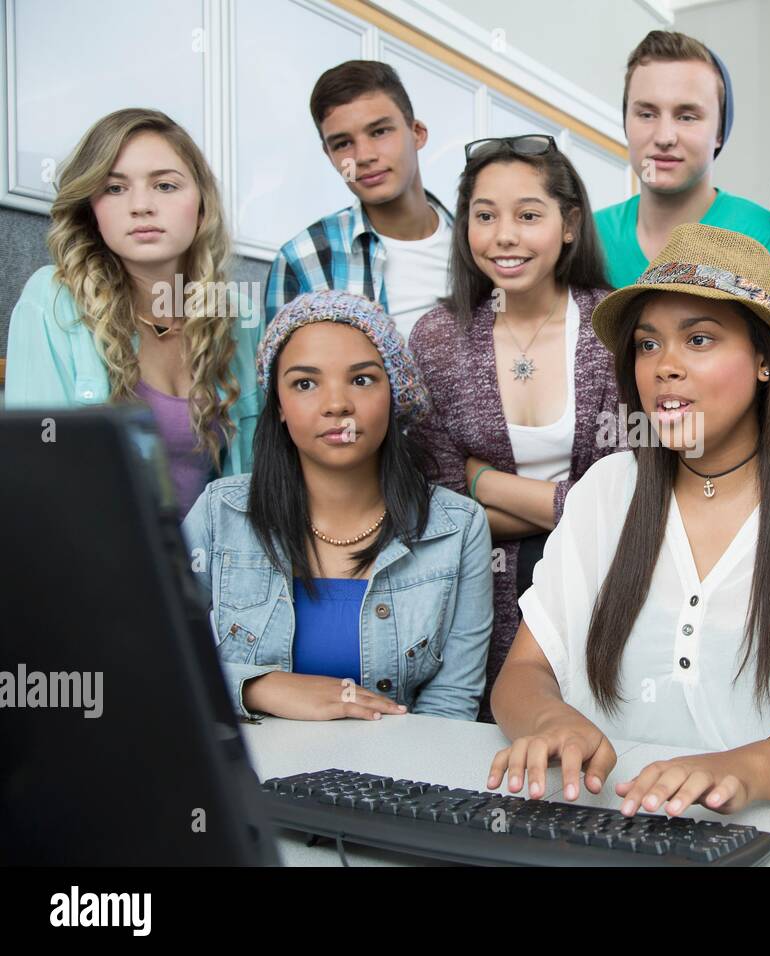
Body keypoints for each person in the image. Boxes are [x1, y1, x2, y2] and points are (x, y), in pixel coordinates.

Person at [487, 223, 770, 818]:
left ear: (764, 363)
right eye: (648, 345)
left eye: (699, 340)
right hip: (601, 825)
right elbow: (523, 672)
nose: (664, 366)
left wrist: (751, 769)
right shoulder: (604, 492)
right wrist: (550, 721)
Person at [182, 290, 493, 722]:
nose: (337, 405)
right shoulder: (220, 513)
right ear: (280, 407)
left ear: (394, 395)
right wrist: (258, 687)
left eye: (362, 379)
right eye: (305, 383)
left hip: (391, 780)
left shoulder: (458, 527)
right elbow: (151, 656)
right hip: (247, 774)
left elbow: (452, 703)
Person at [408, 135, 616, 721]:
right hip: (472, 600)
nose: (504, 236)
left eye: (528, 215)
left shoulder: (616, 327)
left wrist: (484, 483)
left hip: (602, 590)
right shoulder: (438, 338)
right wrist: (566, 504)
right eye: (485, 216)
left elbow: (625, 506)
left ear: (569, 223)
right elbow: (435, 510)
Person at [6, 108, 261, 513]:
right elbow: (33, 475)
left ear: (201, 206)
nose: (141, 206)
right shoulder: (53, 299)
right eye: (114, 188)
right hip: (96, 568)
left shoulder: (239, 317)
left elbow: (257, 476)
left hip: (216, 571)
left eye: (164, 185)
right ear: (92, 209)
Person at [594, 30, 770, 317]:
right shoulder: (589, 239)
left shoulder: (765, 239)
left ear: (719, 132)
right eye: (647, 114)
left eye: (686, 116)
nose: (664, 137)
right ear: (626, 122)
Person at [264, 60, 454, 339]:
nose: (364, 156)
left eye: (379, 132)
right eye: (342, 144)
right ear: (329, 155)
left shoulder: (477, 246)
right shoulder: (301, 260)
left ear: (417, 133)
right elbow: (281, 379)